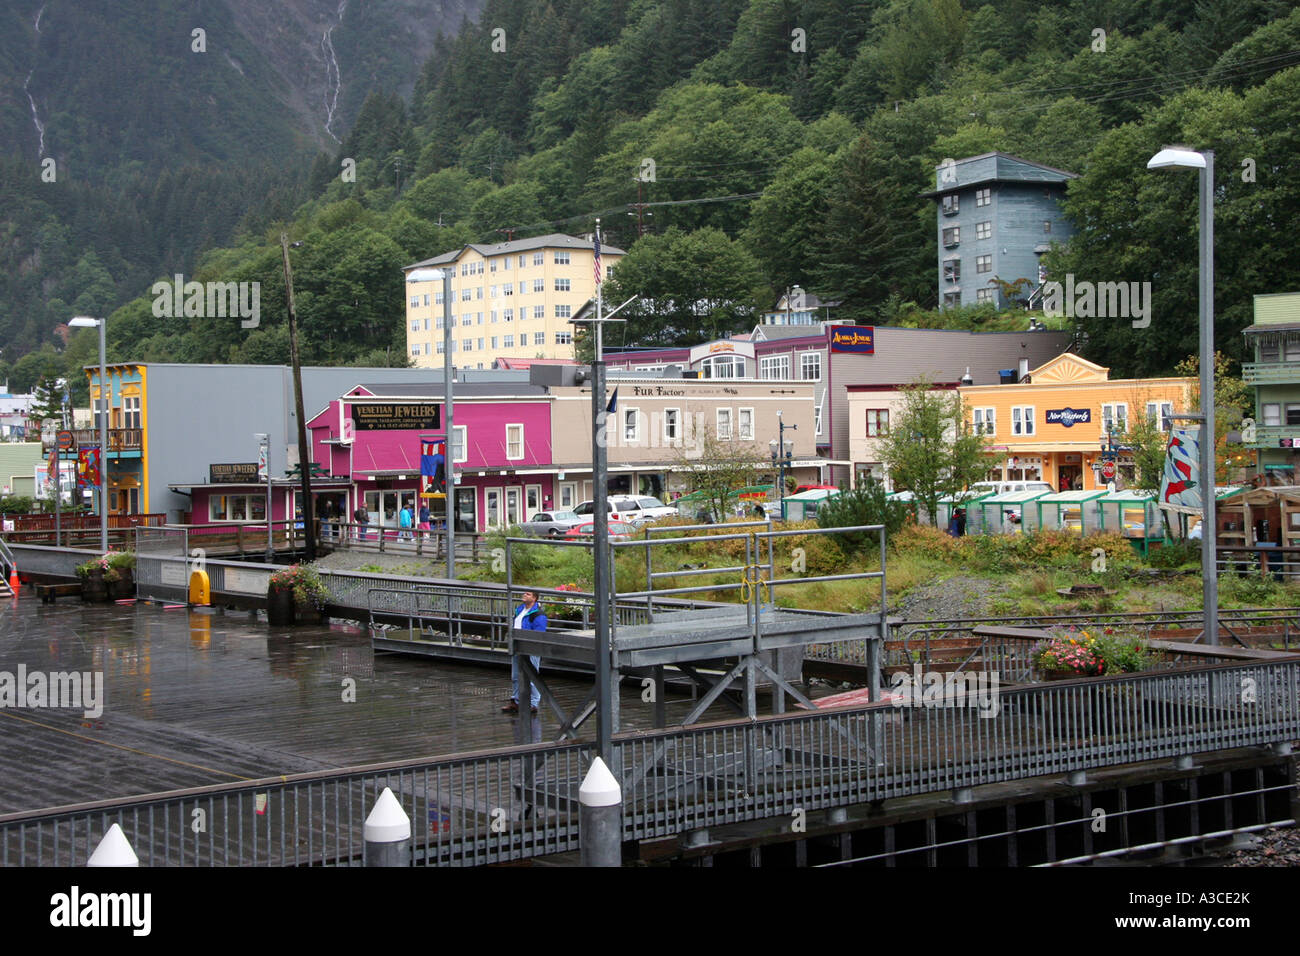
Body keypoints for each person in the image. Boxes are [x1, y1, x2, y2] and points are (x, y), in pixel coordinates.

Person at [503, 589, 546, 714]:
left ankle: (533, 703)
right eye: (524, 593)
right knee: (515, 676)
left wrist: (532, 645)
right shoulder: (520, 609)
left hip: (531, 647)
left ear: (534, 598)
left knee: (532, 677)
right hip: (518, 646)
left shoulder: (538, 614)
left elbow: (539, 633)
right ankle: (516, 701)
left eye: (528, 594)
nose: (524, 595)